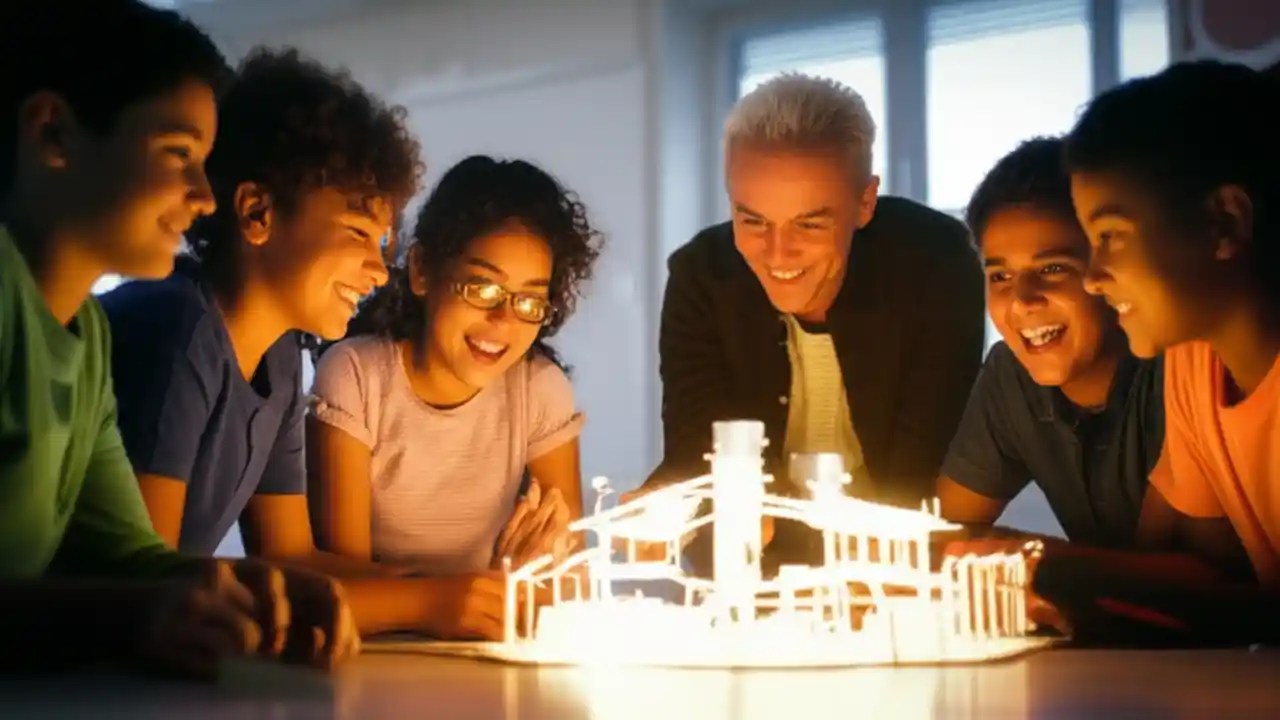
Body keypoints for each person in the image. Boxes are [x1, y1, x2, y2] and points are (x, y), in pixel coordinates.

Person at [0, 2, 356, 676]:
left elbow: (127, 556)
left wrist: (259, 588)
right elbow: (120, 597)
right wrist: (124, 616)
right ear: (53, 133)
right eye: (179, 154)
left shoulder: (87, 336)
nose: (204, 196)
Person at [638, 73, 985, 571]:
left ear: (865, 203)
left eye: (809, 223)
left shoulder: (936, 263)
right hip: (751, 568)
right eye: (752, 220)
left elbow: (924, 470)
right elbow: (698, 446)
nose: (778, 253)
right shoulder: (701, 276)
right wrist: (671, 501)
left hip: (899, 567)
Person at [102, 48, 421, 568]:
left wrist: (456, 589)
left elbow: (291, 557)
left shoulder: (281, 360)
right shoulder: (177, 328)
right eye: (358, 233)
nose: (380, 271)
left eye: (381, 245)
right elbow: (147, 581)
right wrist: (443, 599)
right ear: (258, 212)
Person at [307, 155, 601, 640]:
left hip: (484, 645)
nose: (503, 320)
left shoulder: (539, 389)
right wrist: (453, 596)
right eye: (482, 289)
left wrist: (539, 573)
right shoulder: (357, 375)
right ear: (422, 270)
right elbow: (345, 578)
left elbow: (567, 582)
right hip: (373, 644)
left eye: (529, 301)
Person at [936, 137, 1163, 549]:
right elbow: (947, 530)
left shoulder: (1175, 370)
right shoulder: (1011, 375)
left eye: (1054, 268)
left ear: (1108, 268)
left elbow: (1190, 574)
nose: (1023, 300)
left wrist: (1021, 554)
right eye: (1000, 277)